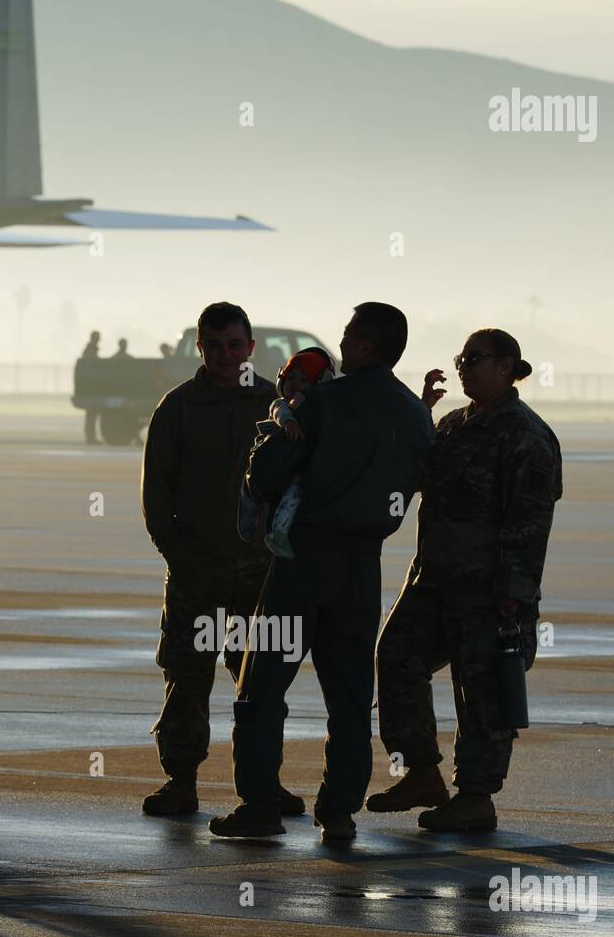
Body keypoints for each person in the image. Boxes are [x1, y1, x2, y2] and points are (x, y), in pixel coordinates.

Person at [209, 302, 434, 841]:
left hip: (302, 564)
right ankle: (338, 812)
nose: (341, 345)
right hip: (363, 569)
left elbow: (266, 478)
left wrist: (277, 431)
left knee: (261, 685)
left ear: (363, 345)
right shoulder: (413, 414)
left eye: (347, 337)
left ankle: (261, 805)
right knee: (350, 697)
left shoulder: (323, 403)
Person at [366, 328, 562, 833]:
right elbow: (410, 472)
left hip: (489, 591)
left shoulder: (526, 435)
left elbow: (530, 524)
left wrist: (512, 596)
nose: (464, 366)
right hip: (433, 581)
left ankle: (475, 796)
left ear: (507, 367)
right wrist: (418, 414)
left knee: (482, 694)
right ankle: (423, 774)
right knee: (396, 656)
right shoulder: (453, 425)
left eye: (476, 358)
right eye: (461, 358)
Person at [141, 300, 305, 818]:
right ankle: (181, 781)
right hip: (196, 572)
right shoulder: (178, 408)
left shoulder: (277, 405)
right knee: (187, 678)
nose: (224, 355)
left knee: (260, 685)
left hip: (260, 576)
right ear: (200, 347)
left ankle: (262, 786)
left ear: (251, 348)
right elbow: (156, 496)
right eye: (214, 346)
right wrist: (180, 556)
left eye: (234, 345)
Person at [238, 347, 336, 558]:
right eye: (290, 377)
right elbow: (278, 410)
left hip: (298, 468)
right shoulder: (284, 405)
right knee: (249, 490)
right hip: (271, 459)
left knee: (293, 495)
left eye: (303, 378)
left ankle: (279, 533)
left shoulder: (320, 411)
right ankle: (246, 522)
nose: (295, 383)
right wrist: (289, 421)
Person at [80, 331, 101, 443]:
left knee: (91, 415)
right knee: (91, 415)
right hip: (91, 388)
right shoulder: (90, 351)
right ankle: (90, 437)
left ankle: (90, 437)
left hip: (90, 388)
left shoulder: (90, 350)